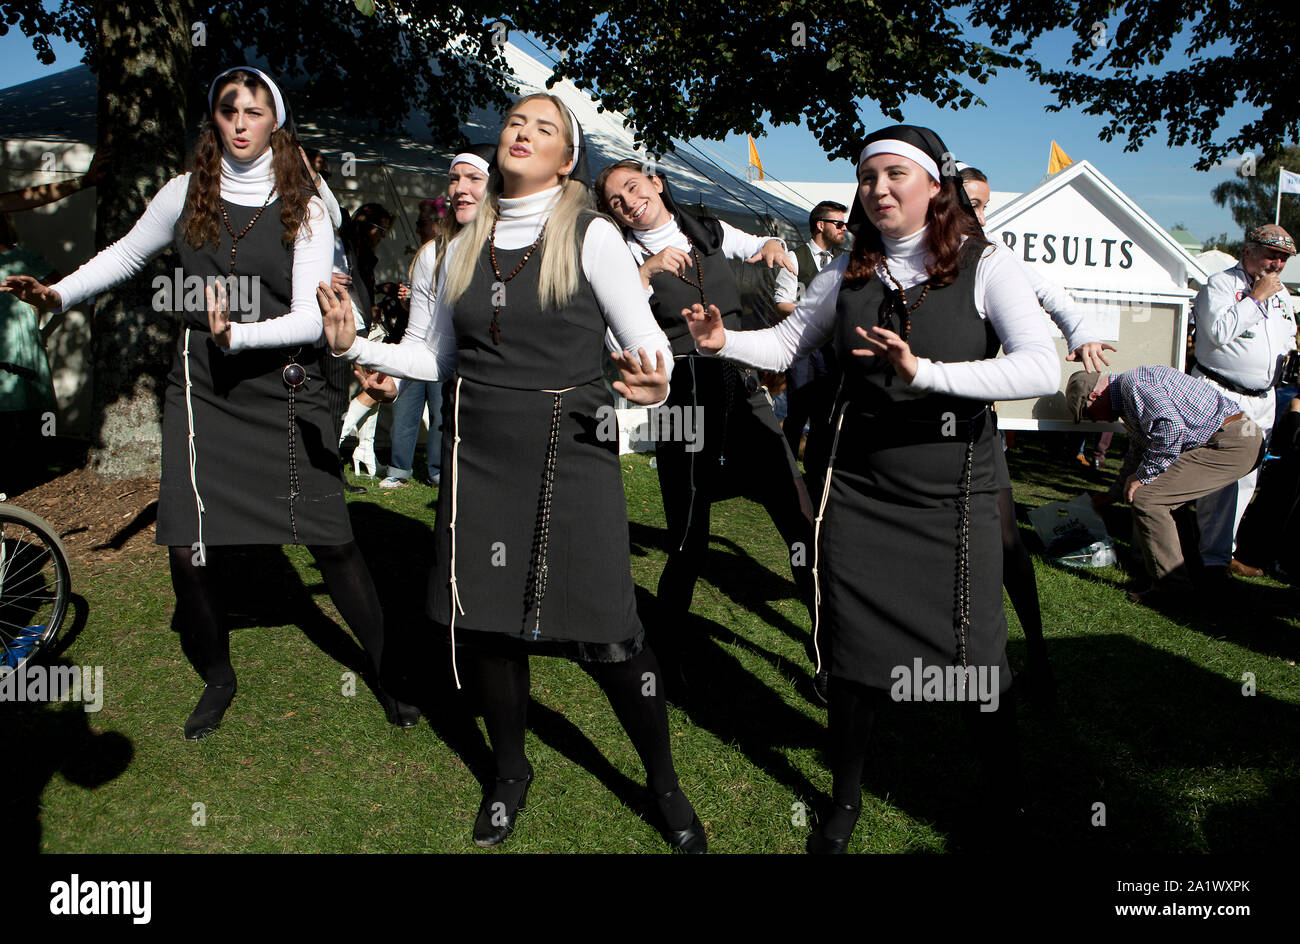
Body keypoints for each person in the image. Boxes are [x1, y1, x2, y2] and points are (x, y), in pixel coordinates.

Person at [319, 94, 707, 852]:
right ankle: (509, 774)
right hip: (479, 455)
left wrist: (653, 386)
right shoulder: (450, 248)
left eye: (545, 129)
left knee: (612, 636)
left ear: (567, 160)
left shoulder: (593, 236)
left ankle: (663, 782)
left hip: (574, 453)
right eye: (514, 123)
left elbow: (647, 349)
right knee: (488, 628)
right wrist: (353, 348)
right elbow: (433, 358)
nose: (523, 133)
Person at [0, 66, 418, 738]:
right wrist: (59, 293)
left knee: (332, 541)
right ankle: (219, 678)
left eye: (256, 111)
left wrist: (239, 333)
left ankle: (388, 672)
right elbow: (125, 256)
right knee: (189, 547)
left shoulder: (305, 203)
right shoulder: (182, 191)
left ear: (274, 122)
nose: (242, 122)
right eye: (230, 110)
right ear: (215, 119)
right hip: (203, 389)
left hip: (285, 385)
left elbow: (315, 320)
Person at [685, 125, 1060, 853]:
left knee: (975, 655)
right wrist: (722, 341)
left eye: (895, 174)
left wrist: (929, 374)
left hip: (954, 495)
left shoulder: (988, 265)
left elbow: (1042, 367)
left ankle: (1006, 791)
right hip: (858, 491)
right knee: (852, 656)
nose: (878, 189)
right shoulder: (846, 272)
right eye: (867, 178)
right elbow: (789, 344)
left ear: (934, 187)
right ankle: (845, 797)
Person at [594, 158, 818, 693]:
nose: (627, 202)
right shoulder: (619, 256)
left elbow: (769, 251)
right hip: (683, 399)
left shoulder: (708, 228)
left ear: (657, 183)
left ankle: (827, 652)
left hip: (743, 391)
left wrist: (775, 252)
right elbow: (611, 340)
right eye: (615, 201)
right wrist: (644, 277)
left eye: (632, 187)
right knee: (689, 539)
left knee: (799, 523)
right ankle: (662, 659)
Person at [960, 163, 1116, 701]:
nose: (972, 210)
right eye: (963, 199)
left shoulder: (996, 257)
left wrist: (1084, 331)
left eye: (980, 202)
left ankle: (1037, 655)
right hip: (905, 424)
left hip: (974, 423)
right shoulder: (911, 250)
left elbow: (1058, 298)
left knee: (1006, 542)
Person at [1069, 367, 1264, 602]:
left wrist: (1143, 477)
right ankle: (1192, 575)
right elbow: (1137, 454)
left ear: (1094, 396)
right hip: (1236, 436)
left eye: (1090, 414)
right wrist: (1112, 494)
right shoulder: (1131, 394)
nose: (1096, 420)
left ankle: (1173, 589)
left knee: (1148, 498)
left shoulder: (1134, 385)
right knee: (1160, 495)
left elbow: (1171, 429)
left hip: (1233, 442)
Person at [1190, 223, 1298, 577]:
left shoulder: (1281, 293)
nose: (1277, 264)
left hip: (1263, 399)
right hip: (1221, 393)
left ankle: (1227, 548)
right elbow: (1218, 333)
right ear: (1248, 251)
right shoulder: (1221, 284)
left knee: (1248, 478)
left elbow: (1284, 337)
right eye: (1272, 254)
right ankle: (1212, 558)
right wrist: (1257, 298)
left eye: (1283, 258)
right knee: (1221, 478)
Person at [379, 168, 493, 490]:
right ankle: (399, 469)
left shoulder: (472, 252)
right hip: (416, 344)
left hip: (448, 354)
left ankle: (438, 470)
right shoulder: (427, 254)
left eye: (423, 221)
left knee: (443, 415)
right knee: (407, 409)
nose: (419, 227)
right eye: (417, 222)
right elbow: (422, 312)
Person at [776, 201, 848, 495]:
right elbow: (780, 302)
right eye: (839, 224)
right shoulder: (795, 257)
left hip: (831, 350)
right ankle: (787, 476)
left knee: (824, 414)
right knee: (797, 412)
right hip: (804, 347)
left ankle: (816, 476)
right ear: (821, 225)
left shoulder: (844, 260)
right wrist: (814, 316)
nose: (844, 229)